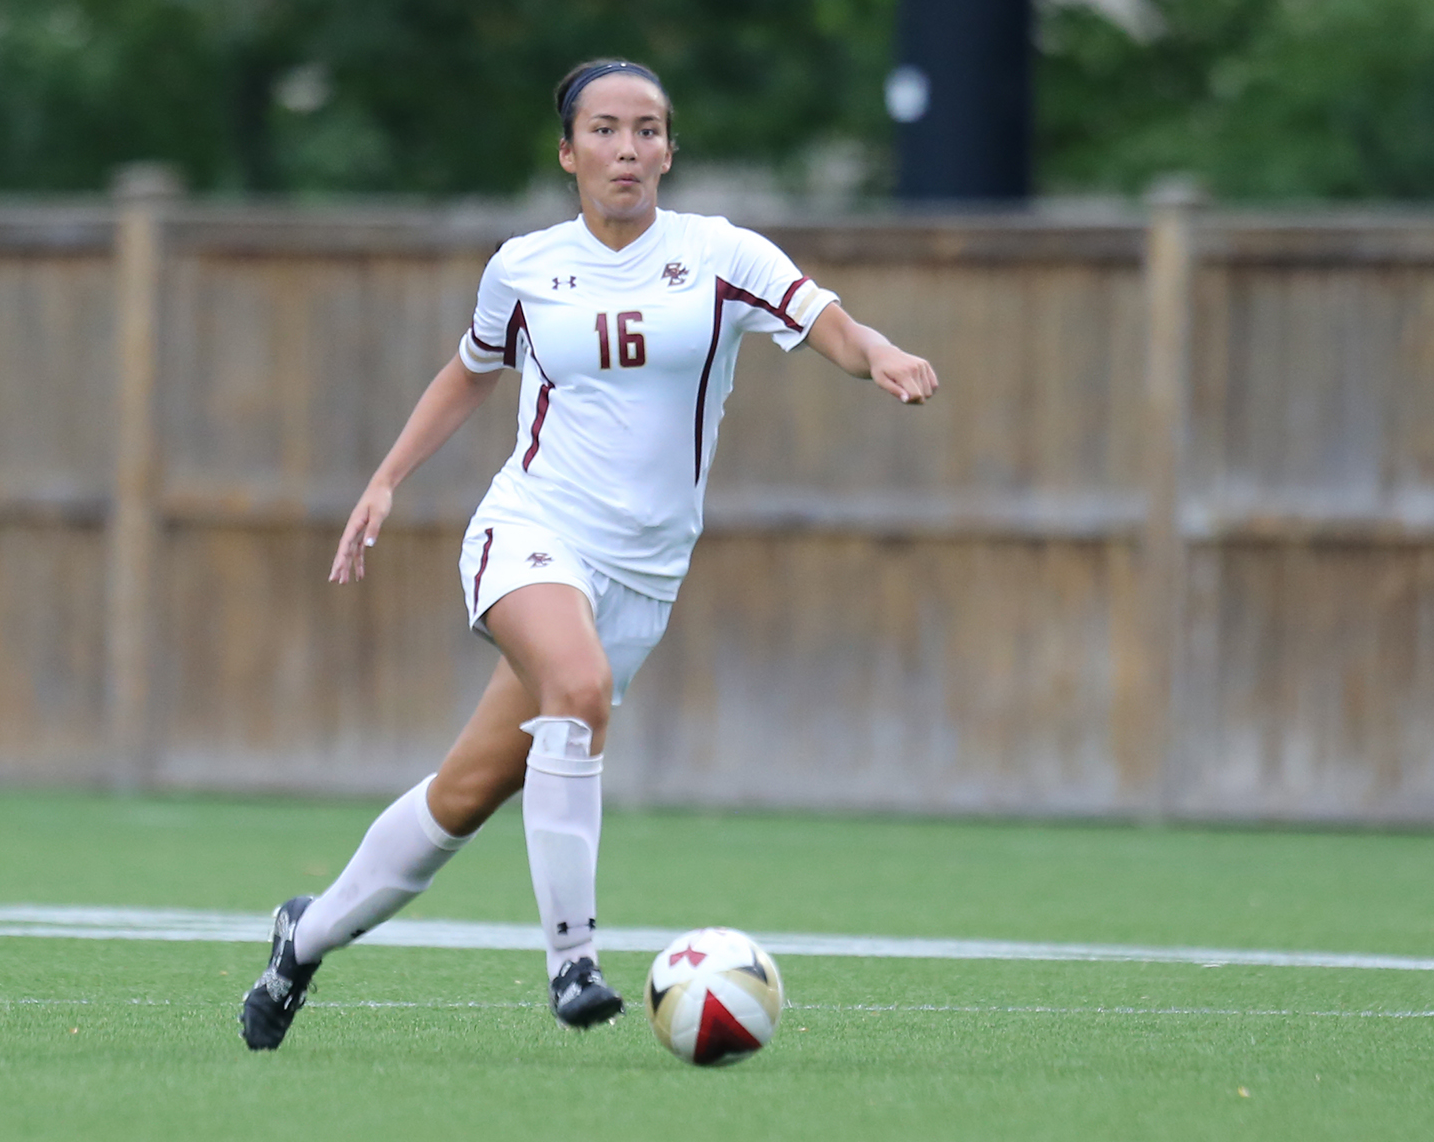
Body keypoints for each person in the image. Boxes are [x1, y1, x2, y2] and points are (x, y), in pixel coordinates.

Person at [240, 58, 938, 1049]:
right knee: (578, 685)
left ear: (669, 149)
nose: (628, 149)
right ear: (568, 150)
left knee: (464, 793)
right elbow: (470, 370)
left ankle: (300, 941)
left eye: (648, 129)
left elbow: (827, 318)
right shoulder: (524, 266)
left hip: (643, 579)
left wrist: (882, 356)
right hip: (528, 530)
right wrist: (387, 475)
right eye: (605, 129)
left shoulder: (720, 254)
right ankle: (573, 960)